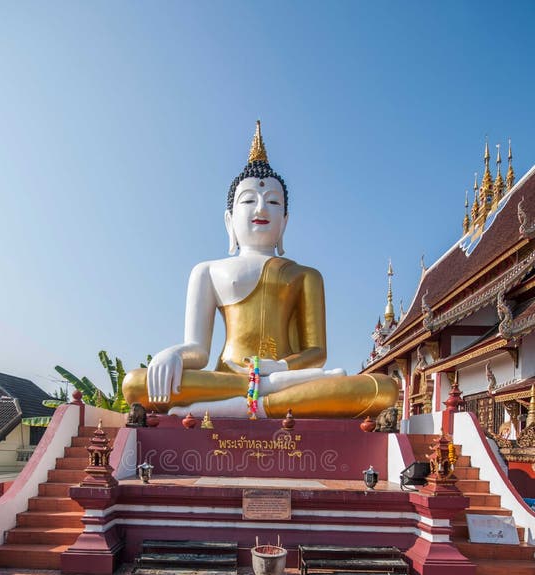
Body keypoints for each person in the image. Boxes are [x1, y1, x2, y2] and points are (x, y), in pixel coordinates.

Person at [122, 122, 398, 418]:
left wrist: (277, 369)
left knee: (383, 388)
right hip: (229, 378)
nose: (261, 209)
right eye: (250, 200)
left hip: (286, 378)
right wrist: (174, 354)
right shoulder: (208, 271)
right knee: (136, 384)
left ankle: (254, 404)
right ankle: (261, 395)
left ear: (285, 221)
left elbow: (317, 353)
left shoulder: (306, 275)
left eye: (273, 202)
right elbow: (198, 350)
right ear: (230, 219)